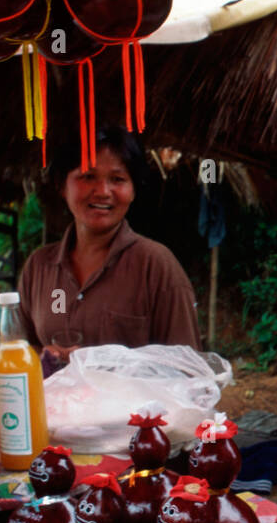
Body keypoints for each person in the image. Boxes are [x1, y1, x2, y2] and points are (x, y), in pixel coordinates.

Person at [17, 126, 202, 358]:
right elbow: (20, 354)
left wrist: (106, 365)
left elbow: (187, 370)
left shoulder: (155, 266)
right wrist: (43, 356)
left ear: (133, 190)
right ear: (62, 186)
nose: (103, 191)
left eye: (117, 179)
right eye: (88, 176)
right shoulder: (39, 267)